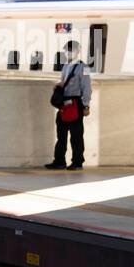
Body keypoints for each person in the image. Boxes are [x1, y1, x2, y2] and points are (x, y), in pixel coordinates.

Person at [46, 39, 92, 171]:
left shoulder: (85, 68)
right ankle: (59, 161)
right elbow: (64, 82)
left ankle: (77, 162)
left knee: (76, 135)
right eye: (66, 50)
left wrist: (86, 105)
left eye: (71, 50)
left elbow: (87, 87)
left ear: (78, 51)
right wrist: (59, 86)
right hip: (63, 104)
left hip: (75, 103)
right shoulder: (65, 66)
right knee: (61, 133)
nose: (68, 52)